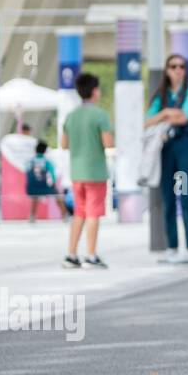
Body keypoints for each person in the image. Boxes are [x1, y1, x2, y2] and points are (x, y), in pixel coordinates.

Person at [145, 54, 188, 263]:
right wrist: (167, 113)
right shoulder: (160, 95)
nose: (178, 70)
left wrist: (165, 114)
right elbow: (147, 121)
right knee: (168, 197)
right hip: (166, 148)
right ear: (167, 70)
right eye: (173, 66)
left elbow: (186, 116)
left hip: (185, 147)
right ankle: (172, 246)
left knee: (186, 195)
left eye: (181, 66)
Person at [60, 72, 113, 269]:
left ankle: (71, 254)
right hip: (96, 172)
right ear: (94, 91)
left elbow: (64, 144)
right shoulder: (100, 115)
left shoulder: (71, 115)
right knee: (93, 214)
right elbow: (108, 143)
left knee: (79, 214)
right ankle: (91, 255)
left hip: (77, 172)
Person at [27, 139, 70, 222]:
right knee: (58, 196)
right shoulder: (46, 161)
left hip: (32, 188)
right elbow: (52, 174)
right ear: (45, 151)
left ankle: (32, 216)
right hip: (44, 186)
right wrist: (53, 183)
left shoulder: (31, 161)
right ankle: (65, 215)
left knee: (34, 198)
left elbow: (28, 173)